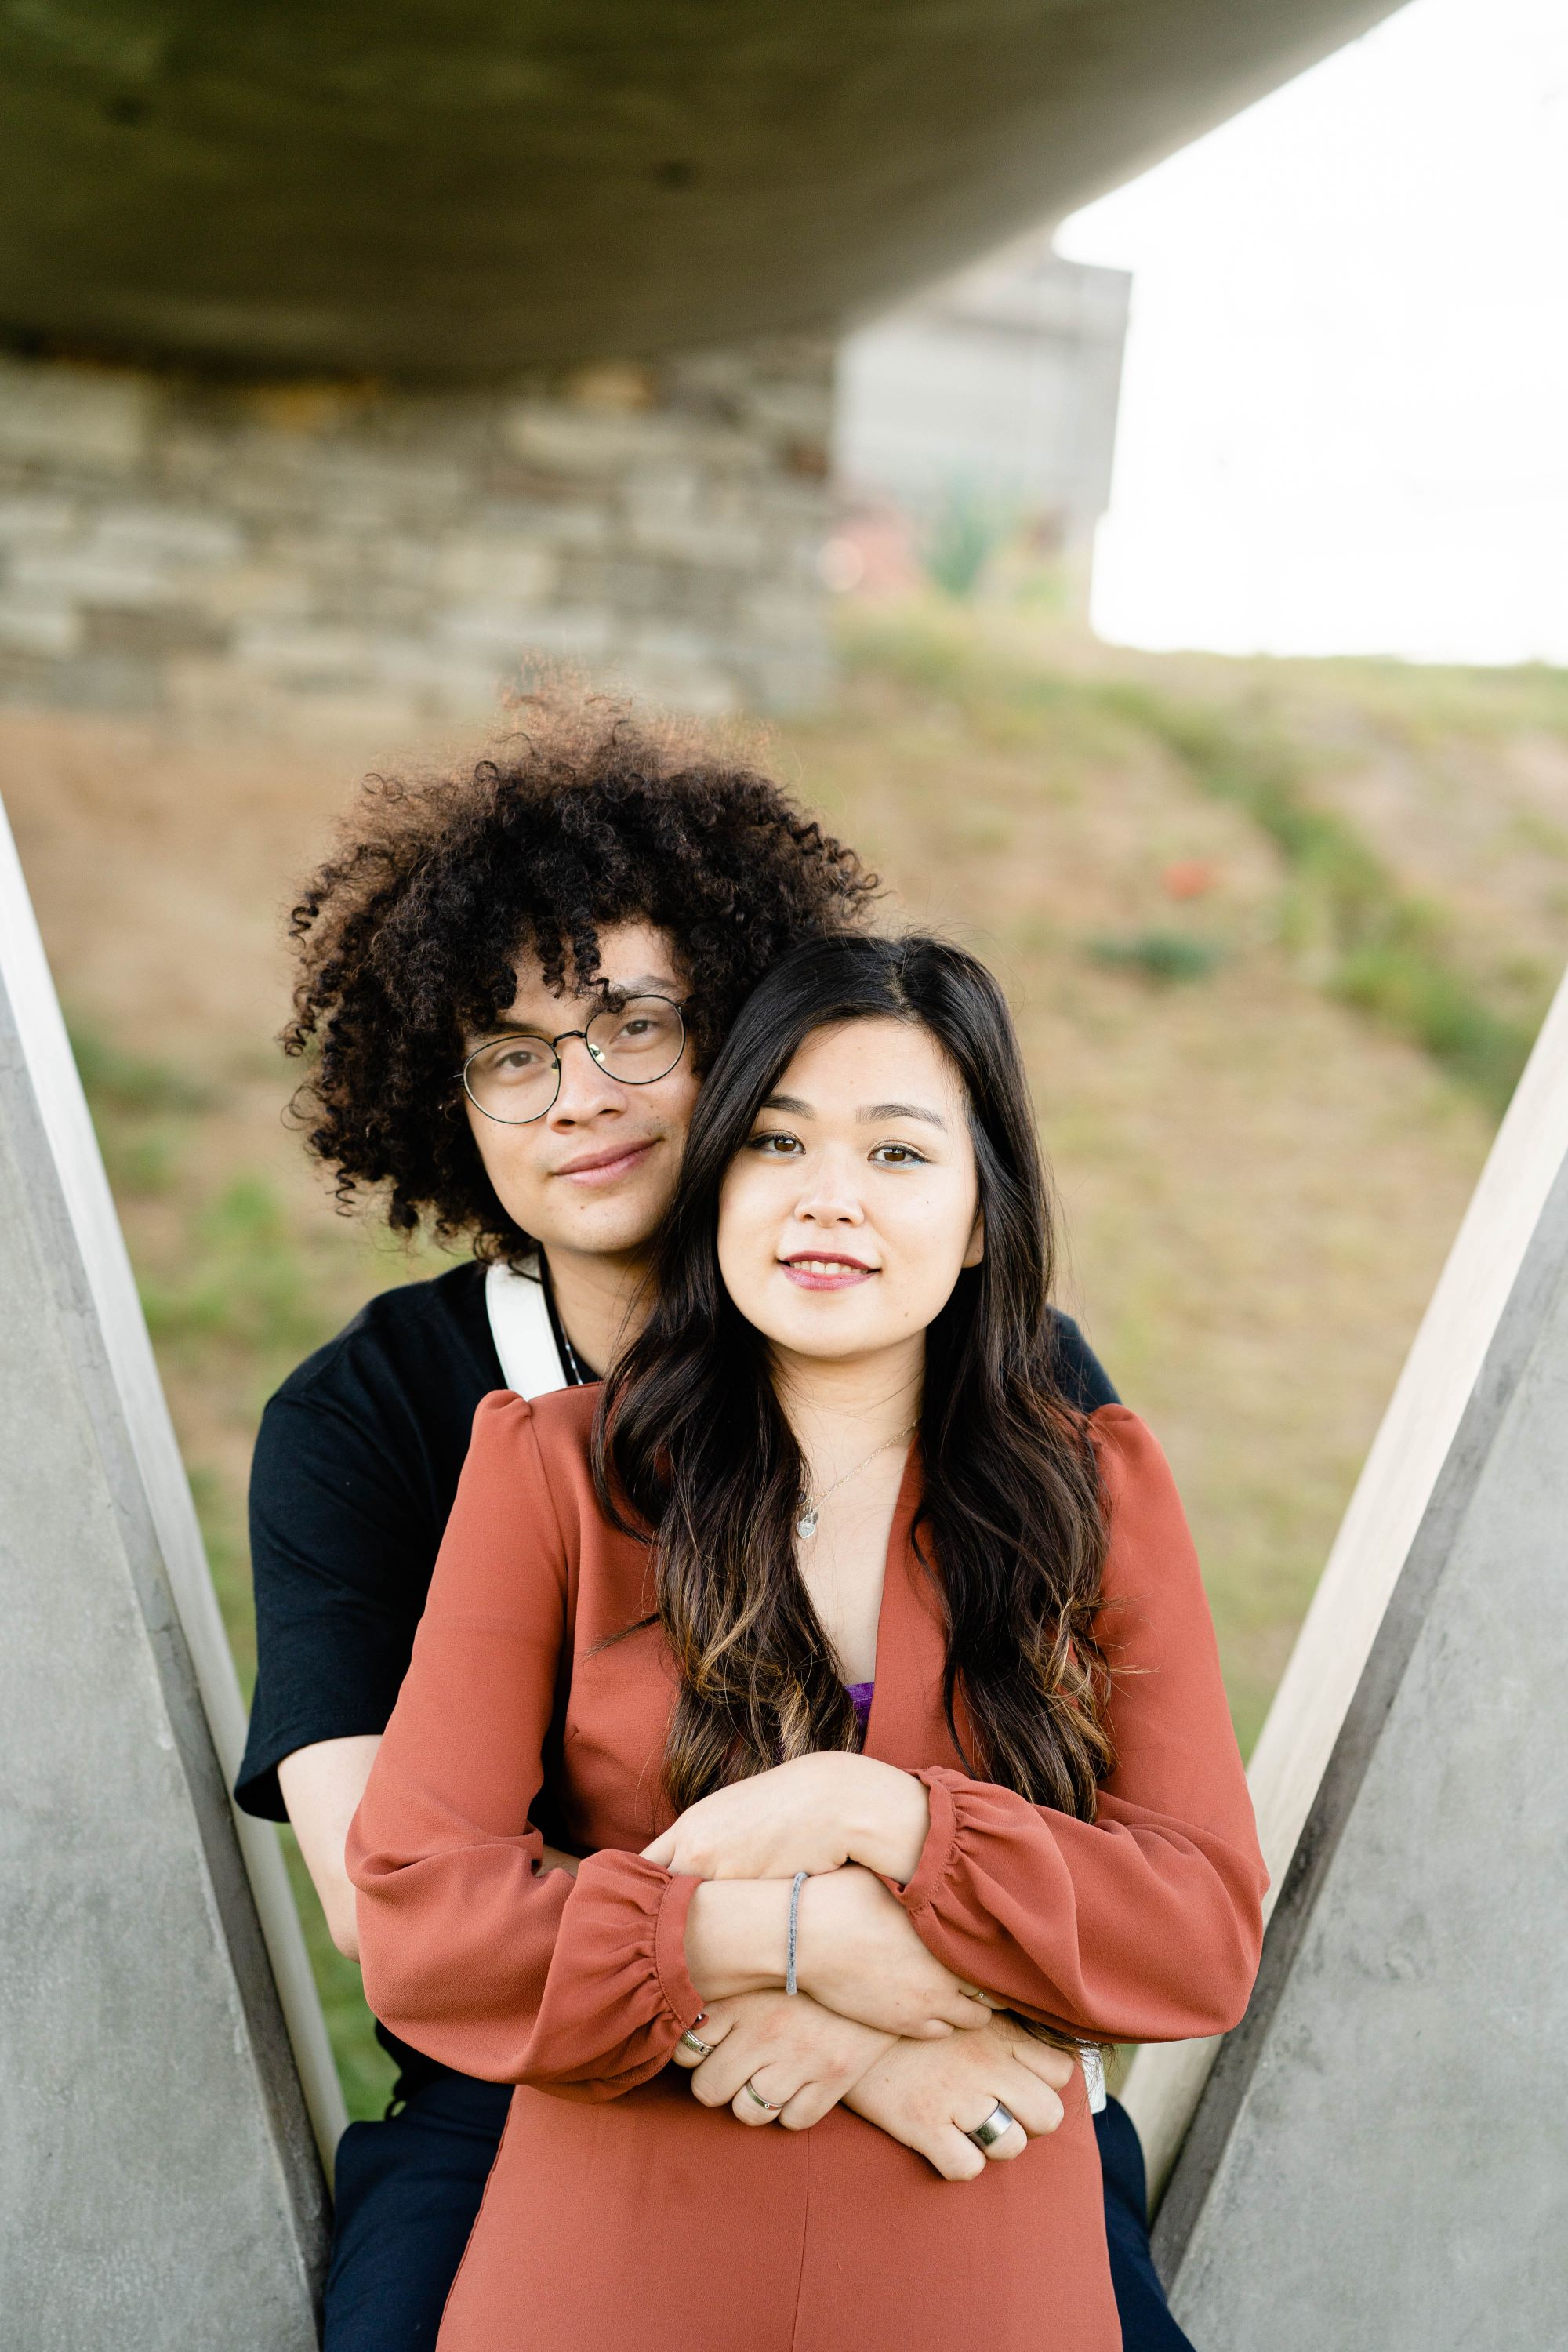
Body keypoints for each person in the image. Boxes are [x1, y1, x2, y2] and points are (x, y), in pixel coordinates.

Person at [234, 699, 1196, 2349]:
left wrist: (878, 2031)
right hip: (529, 2081)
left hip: (981, 2064)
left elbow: (1126, 1841)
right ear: (441, 1100)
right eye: (509, 1054)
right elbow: (382, 1898)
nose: (573, 1098)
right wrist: (840, 2000)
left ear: (743, 1036)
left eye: (631, 1028)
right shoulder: (366, 1422)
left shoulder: (1001, 1383)